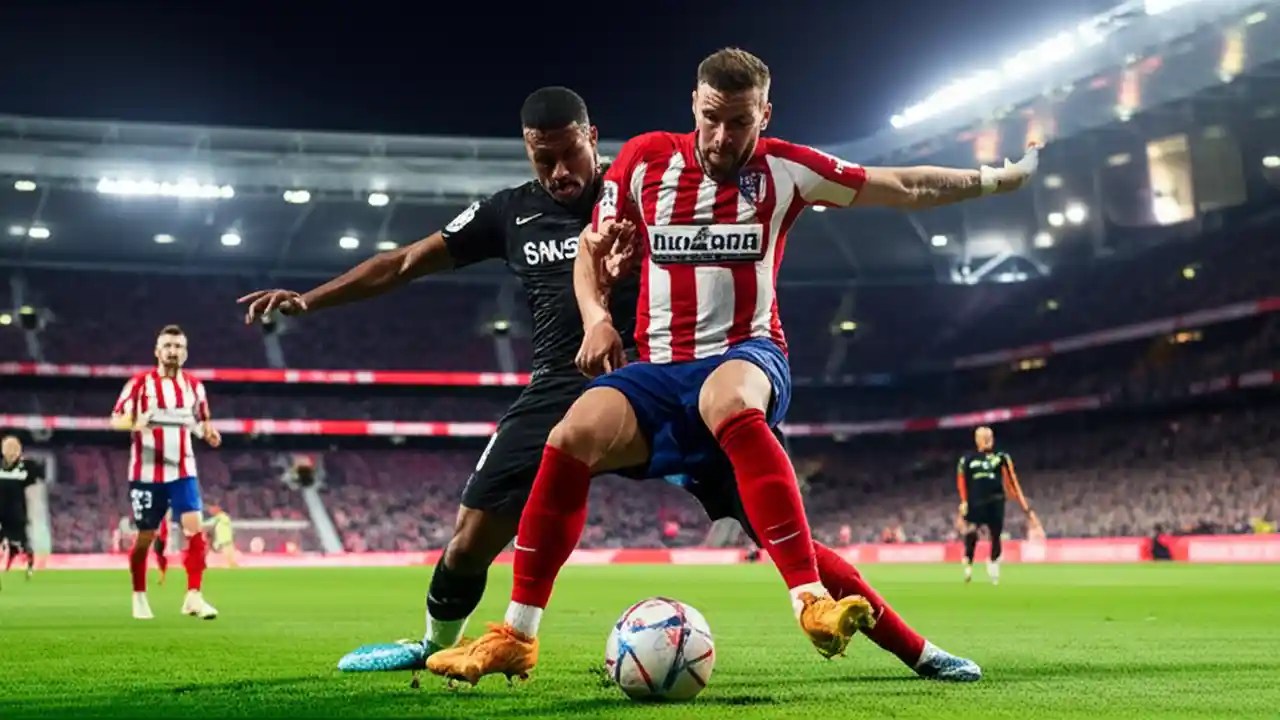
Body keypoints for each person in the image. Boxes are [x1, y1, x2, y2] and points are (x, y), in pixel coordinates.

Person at [243, 86, 983, 684]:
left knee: (788, 540)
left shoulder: (649, 185)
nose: (559, 173)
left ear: (594, 138)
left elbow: (731, 239)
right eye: (543, 161)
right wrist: (312, 299)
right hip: (561, 391)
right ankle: (433, 641)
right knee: (471, 539)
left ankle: (915, 650)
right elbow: (406, 262)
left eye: (569, 155)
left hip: (669, 379)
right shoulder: (511, 212)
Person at [426, 47, 1037, 686]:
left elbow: (901, 185)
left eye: (739, 122)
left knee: (729, 405)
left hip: (747, 358)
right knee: (571, 432)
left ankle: (827, 612)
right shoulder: (643, 160)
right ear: (694, 103)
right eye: (712, 117)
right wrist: (597, 314)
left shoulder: (788, 169)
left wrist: (995, 180)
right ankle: (516, 636)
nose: (721, 137)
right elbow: (591, 248)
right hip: (657, 375)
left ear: (764, 116)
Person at [110, 324, 222, 620]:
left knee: (195, 527)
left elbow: (201, 421)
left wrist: (209, 433)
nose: (173, 351)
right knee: (146, 536)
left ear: (185, 353)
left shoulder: (195, 386)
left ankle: (194, 596)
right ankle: (139, 595)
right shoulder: (139, 384)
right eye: (168, 346)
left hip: (183, 469)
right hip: (145, 474)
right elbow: (115, 420)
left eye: (178, 347)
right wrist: (135, 423)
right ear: (157, 351)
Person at [957, 426, 1039, 585]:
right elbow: (961, 482)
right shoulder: (967, 459)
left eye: (989, 437)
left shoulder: (1001, 457)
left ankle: (993, 563)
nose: (987, 440)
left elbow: (1013, 482)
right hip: (975, 501)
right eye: (983, 437)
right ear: (977, 440)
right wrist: (964, 501)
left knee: (996, 534)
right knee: (972, 531)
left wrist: (1025, 507)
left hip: (996, 500)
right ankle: (968, 560)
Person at [0, 435, 44, 584]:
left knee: (23, 543)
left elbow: (37, 475)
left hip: (17, 513)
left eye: (14, 449)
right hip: (2, 513)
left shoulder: (25, 467)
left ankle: (30, 567)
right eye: (8, 448)